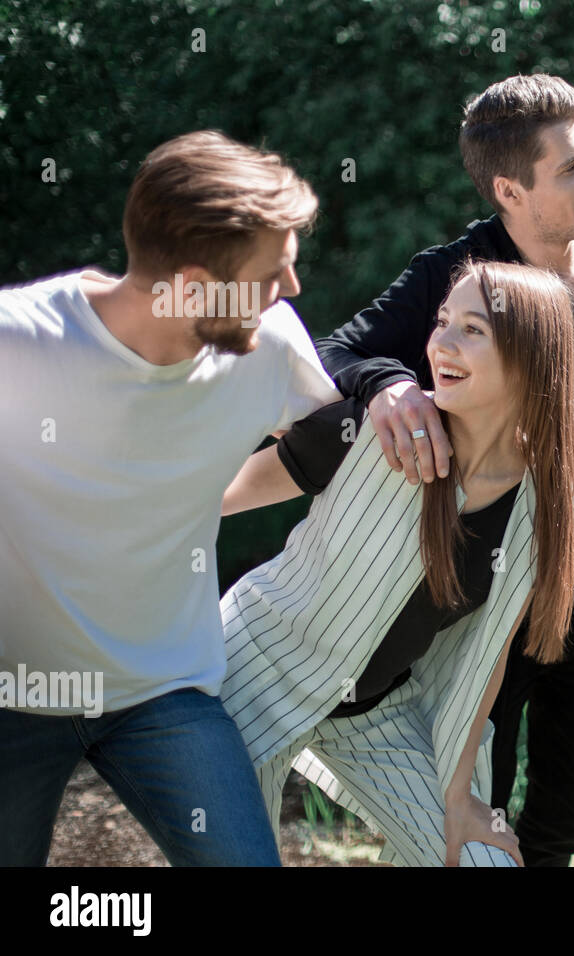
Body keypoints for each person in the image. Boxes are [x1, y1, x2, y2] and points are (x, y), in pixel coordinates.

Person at [313, 73, 574, 865]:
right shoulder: (454, 272)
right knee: (473, 807)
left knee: (569, 809)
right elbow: (334, 354)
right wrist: (390, 384)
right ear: (509, 188)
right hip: (482, 595)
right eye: (571, 168)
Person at [0, 130, 339, 866]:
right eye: (274, 272)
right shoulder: (16, 341)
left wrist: (212, 498)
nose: (292, 291)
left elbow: (330, 438)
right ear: (191, 285)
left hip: (163, 692)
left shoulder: (268, 341)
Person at [220, 260, 574, 866]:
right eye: (443, 322)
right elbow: (219, 495)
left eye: (472, 329)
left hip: (376, 710)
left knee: (484, 864)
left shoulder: (551, 497)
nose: (440, 342)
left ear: (531, 355)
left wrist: (460, 790)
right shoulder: (371, 428)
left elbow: (491, 649)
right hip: (255, 674)